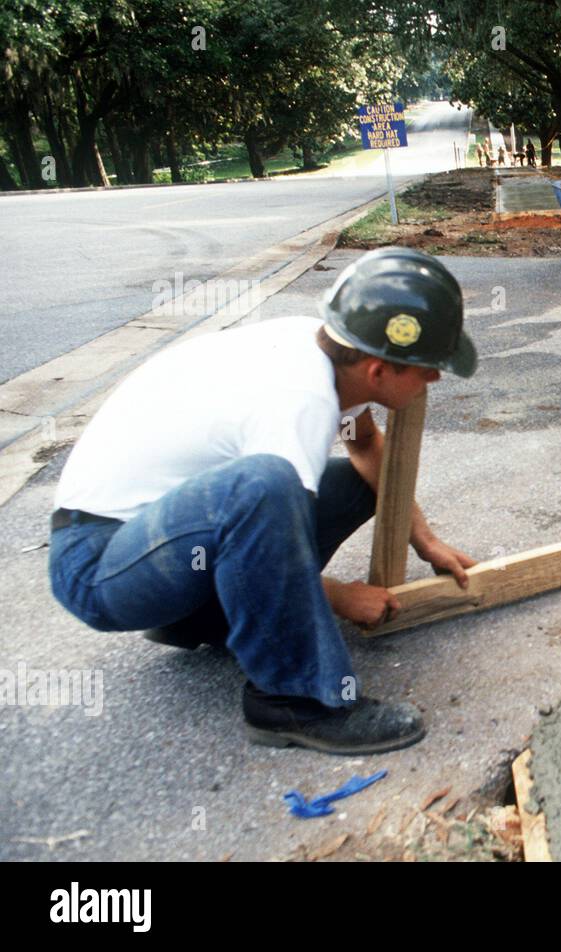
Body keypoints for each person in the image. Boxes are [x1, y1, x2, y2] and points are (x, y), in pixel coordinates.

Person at [48, 248, 479, 754]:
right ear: (379, 371)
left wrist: (425, 541)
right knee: (267, 486)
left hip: (162, 542)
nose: (435, 379)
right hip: (101, 565)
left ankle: (200, 615)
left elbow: (363, 444)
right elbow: (263, 515)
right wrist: (341, 596)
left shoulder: (333, 354)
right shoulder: (298, 398)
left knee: (348, 482)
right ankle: (294, 700)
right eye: (427, 367)